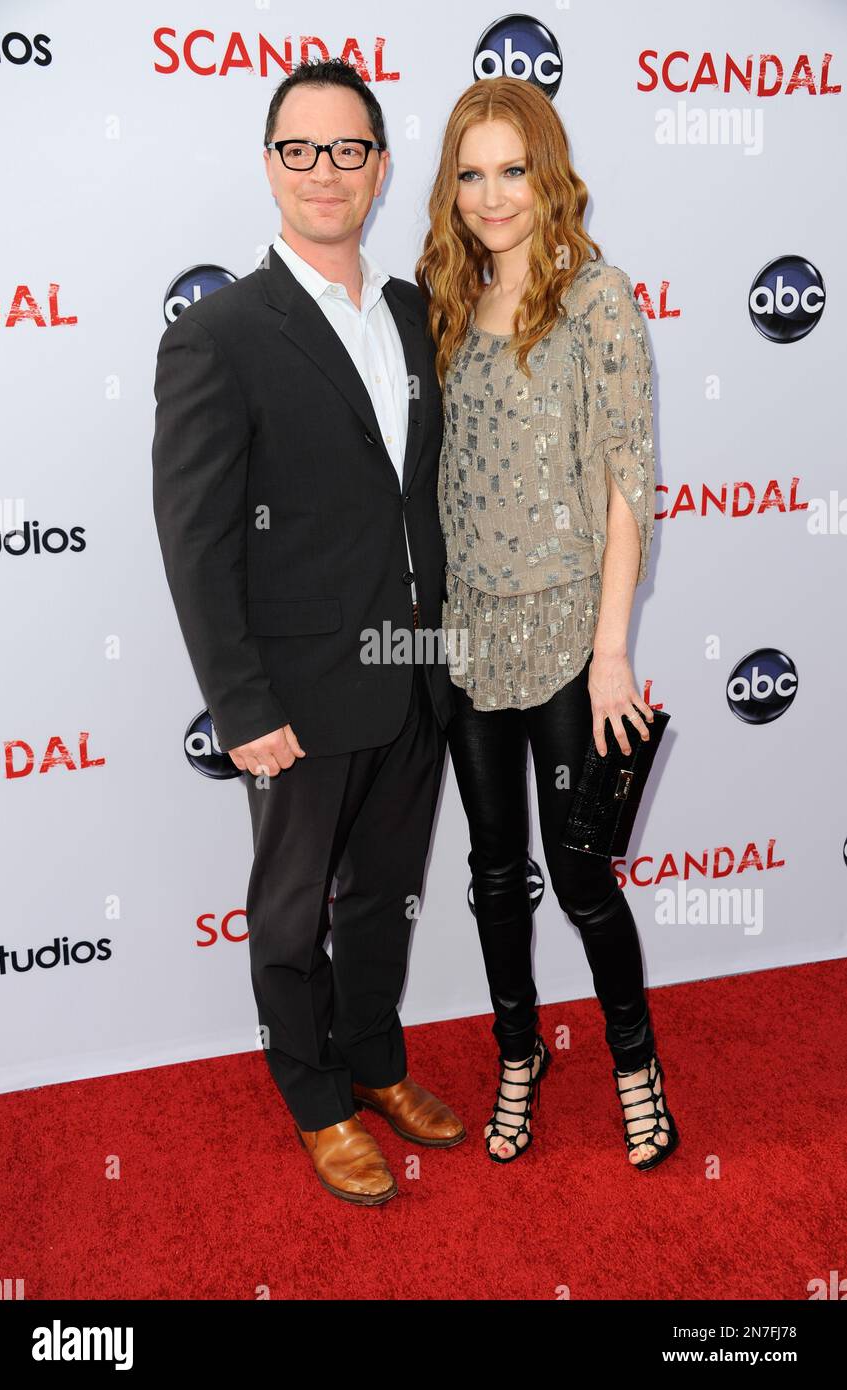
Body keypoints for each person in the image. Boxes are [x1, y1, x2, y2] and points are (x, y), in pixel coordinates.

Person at [152, 57, 465, 1207]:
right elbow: (194, 538)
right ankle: (315, 1092)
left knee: (385, 893)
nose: (324, 172)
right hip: (291, 691)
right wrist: (242, 705)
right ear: (270, 165)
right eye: (300, 150)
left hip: (415, 673)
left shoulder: (414, 313)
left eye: (347, 150)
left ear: (380, 169)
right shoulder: (221, 332)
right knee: (291, 911)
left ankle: (376, 1060)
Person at [415, 77, 679, 1170]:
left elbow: (629, 480)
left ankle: (632, 1062)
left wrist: (611, 649)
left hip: (572, 635)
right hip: (469, 636)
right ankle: (518, 1054)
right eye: (470, 173)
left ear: (548, 171)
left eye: (511, 170)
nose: (491, 194)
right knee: (489, 872)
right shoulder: (445, 294)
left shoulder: (596, 297)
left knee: (578, 877)